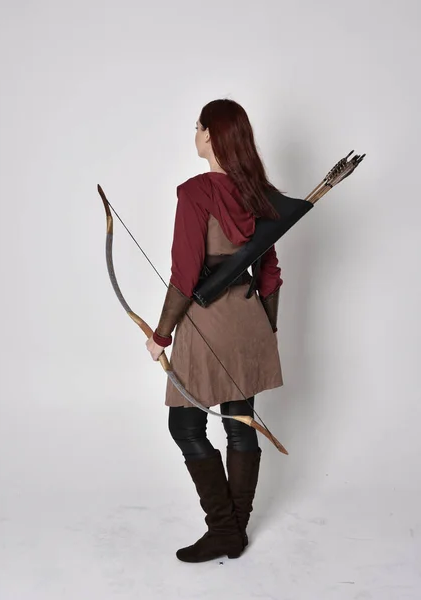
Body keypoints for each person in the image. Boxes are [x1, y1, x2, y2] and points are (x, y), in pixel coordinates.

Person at [145, 99, 283, 563]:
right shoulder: (260, 192)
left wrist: (160, 335)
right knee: (240, 421)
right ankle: (235, 530)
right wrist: (269, 330)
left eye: (198, 126)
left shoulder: (195, 192)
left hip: (207, 324)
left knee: (185, 423)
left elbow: (185, 276)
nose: (196, 132)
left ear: (209, 135)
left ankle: (225, 529)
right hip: (250, 320)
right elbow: (271, 273)